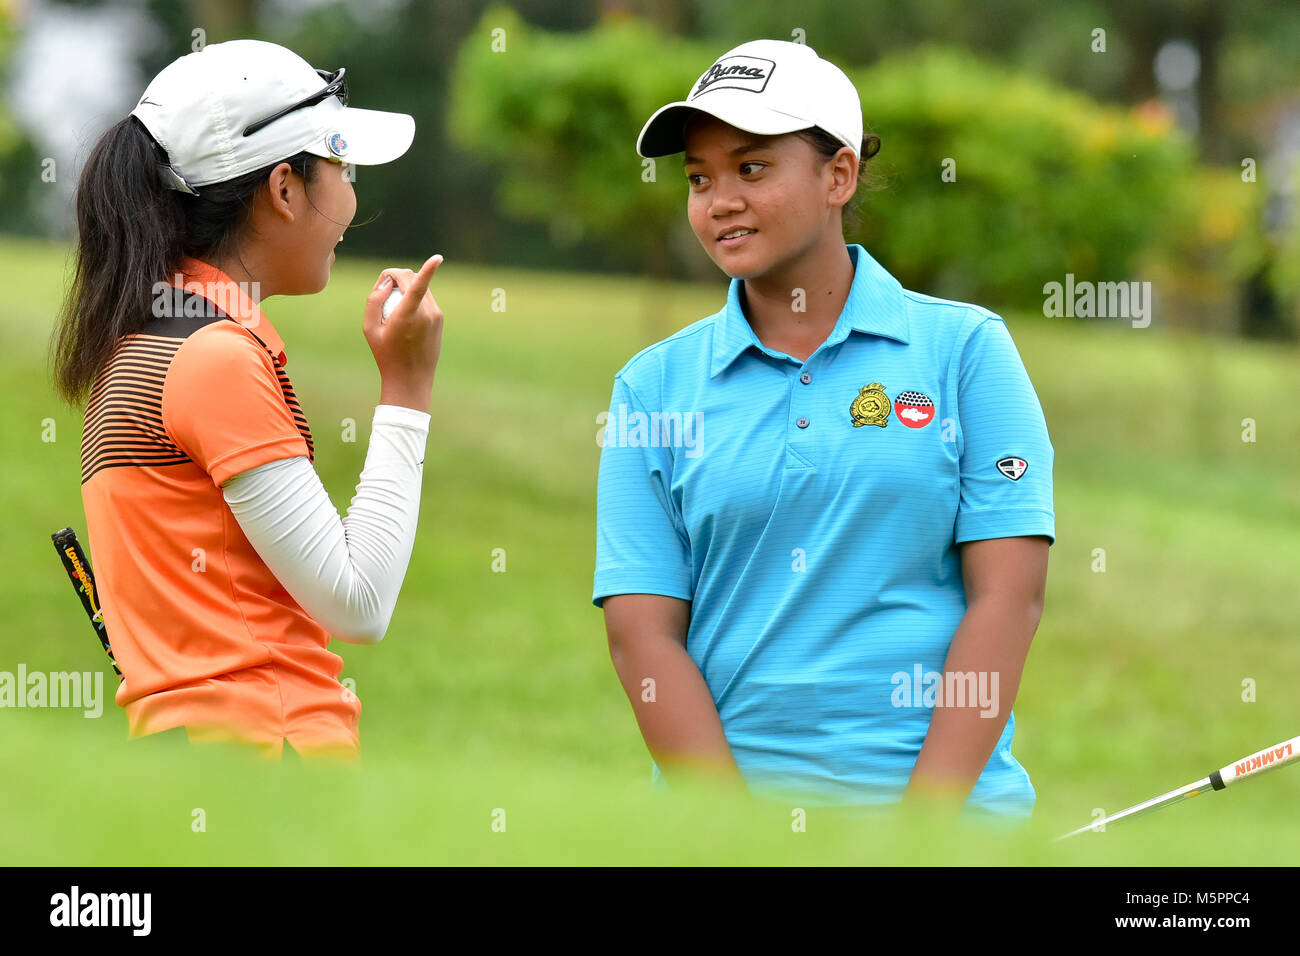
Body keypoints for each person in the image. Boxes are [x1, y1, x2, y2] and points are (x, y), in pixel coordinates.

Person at [593, 39, 1055, 819]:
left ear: (838, 175)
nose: (719, 200)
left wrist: (922, 834)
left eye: (751, 168)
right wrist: (737, 838)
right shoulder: (650, 388)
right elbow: (642, 638)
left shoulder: (966, 352)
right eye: (699, 178)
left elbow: (1008, 600)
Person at [49, 39, 445, 758]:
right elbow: (358, 602)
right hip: (273, 751)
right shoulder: (216, 359)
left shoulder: (140, 341)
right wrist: (407, 389)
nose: (352, 197)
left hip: (199, 763)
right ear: (285, 189)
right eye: (343, 169)